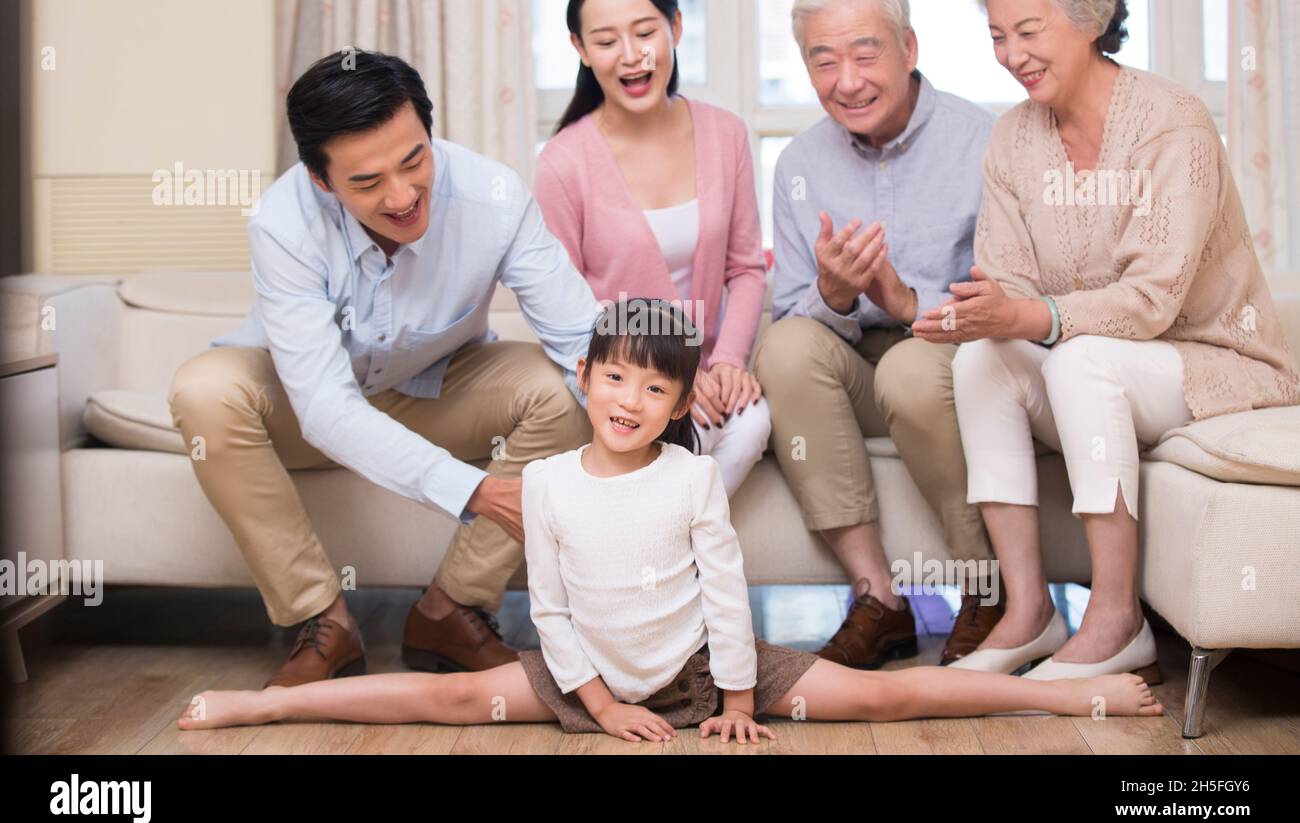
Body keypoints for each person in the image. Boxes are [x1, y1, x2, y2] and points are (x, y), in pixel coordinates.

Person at [177, 299, 1165, 740]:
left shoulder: (692, 479)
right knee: (437, 700)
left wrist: (736, 697)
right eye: (612, 379)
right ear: (584, 378)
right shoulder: (554, 480)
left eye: (653, 389)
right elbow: (552, 609)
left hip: (705, 667)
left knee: (884, 700)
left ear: (678, 403)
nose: (627, 401)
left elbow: (726, 593)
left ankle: (1067, 696)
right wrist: (600, 703)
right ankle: (263, 705)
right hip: (592, 674)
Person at [914, 0, 1300, 681]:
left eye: (1029, 30)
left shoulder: (1171, 121)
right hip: (1095, 372)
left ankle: (1117, 620)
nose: (1012, 54)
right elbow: (1010, 282)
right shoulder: (1013, 139)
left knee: (1084, 358)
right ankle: (1027, 610)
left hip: (1213, 366)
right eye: (997, 36)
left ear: (1090, 17)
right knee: (980, 363)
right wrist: (984, 315)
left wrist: (1034, 317)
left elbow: (1153, 302)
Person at [168, 49, 602, 688]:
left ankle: (452, 611)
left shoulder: (494, 197)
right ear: (321, 179)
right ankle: (323, 622)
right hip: (301, 402)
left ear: (429, 132)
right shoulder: (283, 222)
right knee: (203, 390)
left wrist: (656, 427)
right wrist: (473, 490)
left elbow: (581, 342)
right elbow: (323, 405)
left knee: (567, 391)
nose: (402, 197)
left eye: (415, 160)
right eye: (367, 183)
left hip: (432, 390)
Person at [753, 0, 1002, 669]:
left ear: (909, 48)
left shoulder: (979, 143)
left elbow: (1006, 300)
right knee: (785, 349)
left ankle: (988, 587)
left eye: (865, 54)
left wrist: (907, 302)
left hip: (949, 361)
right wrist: (834, 294)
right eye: (823, 61)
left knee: (911, 370)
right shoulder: (798, 163)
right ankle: (879, 599)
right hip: (857, 366)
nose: (847, 80)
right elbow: (795, 315)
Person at [533, 0, 770, 497]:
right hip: (622, 375)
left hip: (706, 368)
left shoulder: (726, 134)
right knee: (660, 441)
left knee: (753, 421)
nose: (631, 56)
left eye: (645, 33)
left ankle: (674, 557)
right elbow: (559, 299)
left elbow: (747, 269)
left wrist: (730, 363)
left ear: (676, 28)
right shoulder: (563, 162)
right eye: (606, 40)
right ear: (580, 49)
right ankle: (657, 561)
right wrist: (652, 377)